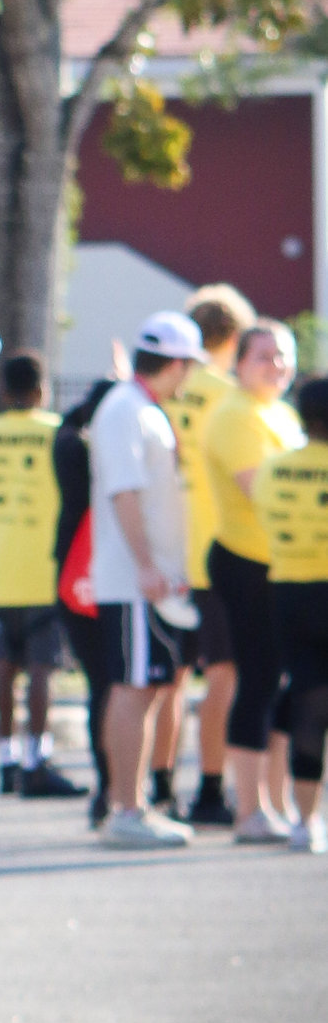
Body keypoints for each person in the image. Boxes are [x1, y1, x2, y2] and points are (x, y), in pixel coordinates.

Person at [87, 311, 202, 848]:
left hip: (144, 577)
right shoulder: (126, 409)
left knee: (148, 688)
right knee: (135, 689)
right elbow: (124, 492)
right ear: (177, 364)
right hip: (134, 578)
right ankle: (125, 809)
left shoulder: (137, 407)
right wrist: (147, 565)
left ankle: (131, 805)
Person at [204, 318, 305, 842]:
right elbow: (262, 493)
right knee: (258, 681)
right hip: (247, 563)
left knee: (287, 683)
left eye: (283, 355)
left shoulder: (282, 413)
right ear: (240, 363)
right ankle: (250, 810)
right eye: (264, 356)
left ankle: (280, 800)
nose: (276, 365)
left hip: (286, 565)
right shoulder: (236, 416)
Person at [158, 285, 255, 826]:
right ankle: (213, 789)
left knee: (167, 681)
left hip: (169, 549)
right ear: (235, 336)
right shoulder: (228, 393)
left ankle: (161, 784)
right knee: (224, 675)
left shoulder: (168, 387)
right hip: (218, 549)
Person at [0, 351, 84, 798]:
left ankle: (5, 760)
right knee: (43, 666)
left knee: (4, 666)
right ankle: (37, 761)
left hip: (2, 564)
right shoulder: (55, 432)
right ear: (41, 391)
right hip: (45, 565)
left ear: (4, 392)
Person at [251, 377, 328, 854]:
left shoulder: (274, 467)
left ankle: (306, 821)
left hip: (287, 593)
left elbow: (264, 515)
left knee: (306, 700)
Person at [54, 379, 118, 824]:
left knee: (104, 687)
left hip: (73, 574)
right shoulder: (90, 456)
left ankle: (109, 788)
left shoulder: (68, 444)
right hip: (94, 574)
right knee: (112, 688)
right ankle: (114, 786)